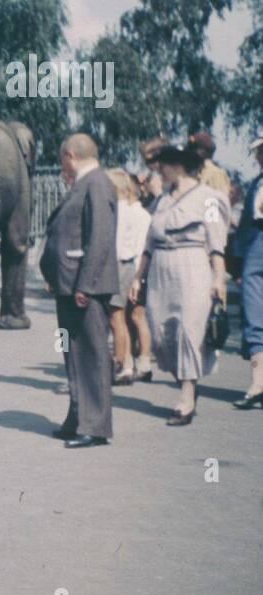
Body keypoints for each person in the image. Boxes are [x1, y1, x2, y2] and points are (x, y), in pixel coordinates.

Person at [128, 142, 229, 426]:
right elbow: (149, 242)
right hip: (161, 268)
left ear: (178, 166)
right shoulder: (162, 200)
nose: (159, 169)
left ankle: (186, 395)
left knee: (188, 330)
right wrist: (139, 277)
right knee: (162, 333)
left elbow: (216, 241)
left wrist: (219, 278)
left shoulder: (208, 198)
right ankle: (186, 381)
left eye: (164, 164)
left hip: (193, 265)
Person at [40, 133, 119, 449]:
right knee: (73, 355)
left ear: (69, 155)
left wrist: (85, 284)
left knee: (91, 356)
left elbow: (99, 239)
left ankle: (95, 427)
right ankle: (78, 417)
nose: (63, 166)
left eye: (63, 160)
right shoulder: (86, 183)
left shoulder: (97, 183)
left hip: (83, 286)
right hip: (69, 285)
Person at [108, 168, 152, 385]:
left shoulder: (124, 212)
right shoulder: (129, 211)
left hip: (126, 268)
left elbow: (135, 246)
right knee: (126, 318)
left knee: (122, 318)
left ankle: (128, 364)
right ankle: (133, 362)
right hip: (130, 268)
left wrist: (138, 276)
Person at [233, 133, 263, 409]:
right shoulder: (257, 183)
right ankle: (258, 383)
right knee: (254, 316)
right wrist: (238, 263)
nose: (258, 157)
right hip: (256, 246)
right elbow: (245, 226)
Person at [189, 130, 232, 198]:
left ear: (202, 152)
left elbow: (219, 202)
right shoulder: (194, 173)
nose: (189, 153)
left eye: (193, 149)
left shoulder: (215, 173)